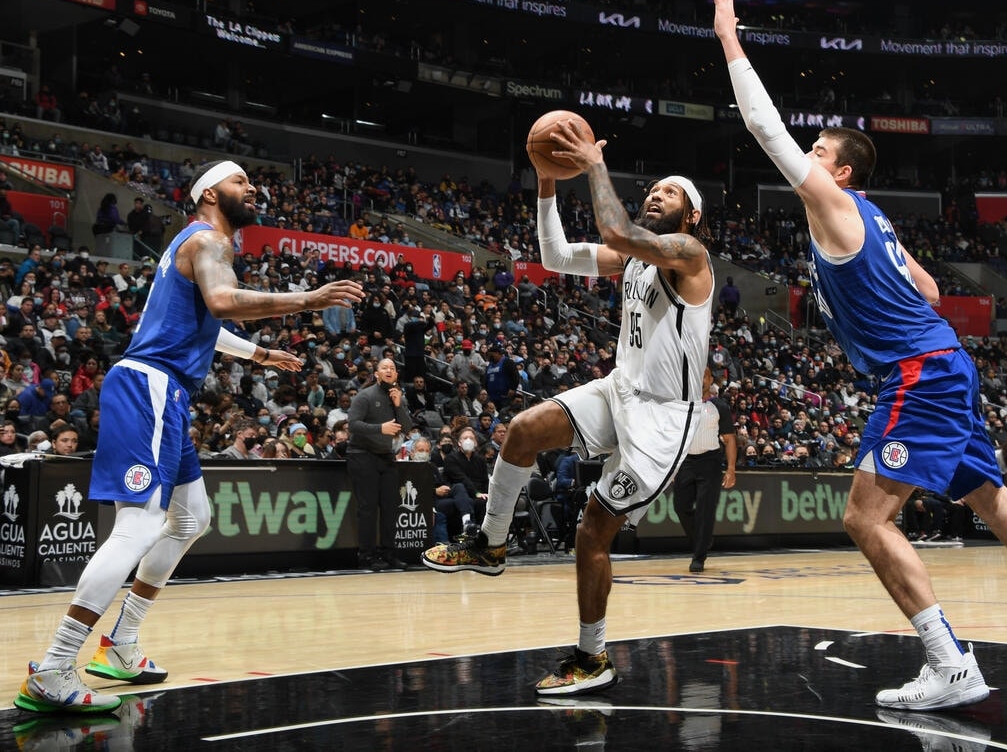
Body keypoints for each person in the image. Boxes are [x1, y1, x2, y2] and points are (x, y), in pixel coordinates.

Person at [711, 0, 1007, 711]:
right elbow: (926, 289)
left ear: (839, 172)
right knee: (988, 496)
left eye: (817, 151)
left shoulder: (835, 204)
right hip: (945, 363)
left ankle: (948, 662)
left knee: (864, 517)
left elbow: (765, 130)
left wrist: (730, 41)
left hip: (917, 372)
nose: (805, 155)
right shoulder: (874, 217)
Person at [14, 160, 364, 714]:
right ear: (209, 194)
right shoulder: (209, 239)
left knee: (191, 519)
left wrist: (260, 353)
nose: (252, 187)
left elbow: (205, 321)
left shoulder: (195, 245)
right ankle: (54, 666)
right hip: (150, 387)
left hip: (164, 392)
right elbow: (224, 302)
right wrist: (308, 299)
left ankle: (121, 642)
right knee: (138, 526)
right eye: (239, 180)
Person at [422, 120, 714, 698]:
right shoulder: (631, 259)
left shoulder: (690, 254)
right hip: (621, 390)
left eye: (670, 192)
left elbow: (615, 227)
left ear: (693, 214)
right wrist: (546, 181)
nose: (656, 194)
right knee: (523, 429)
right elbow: (554, 255)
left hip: (662, 421)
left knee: (592, 531)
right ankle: (490, 543)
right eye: (652, 188)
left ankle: (591, 655)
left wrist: (593, 163)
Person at [346, 356, 413, 571]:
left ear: (396, 374)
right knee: (368, 509)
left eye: (392, 367)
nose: (389, 370)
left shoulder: (398, 397)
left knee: (390, 508)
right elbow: (352, 425)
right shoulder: (365, 396)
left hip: (386, 456)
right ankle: (366, 556)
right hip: (362, 455)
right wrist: (380, 428)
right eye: (384, 367)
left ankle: (389, 554)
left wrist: (398, 405)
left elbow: (407, 427)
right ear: (376, 374)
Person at [673, 368, 737, 573]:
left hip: (710, 462)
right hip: (685, 461)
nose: (701, 380)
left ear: (710, 380)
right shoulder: (680, 405)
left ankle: (698, 557)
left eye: (704, 376)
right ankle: (704, 539)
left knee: (705, 511)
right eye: (697, 375)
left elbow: (729, 439)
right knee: (680, 506)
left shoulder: (720, 406)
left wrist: (731, 469)